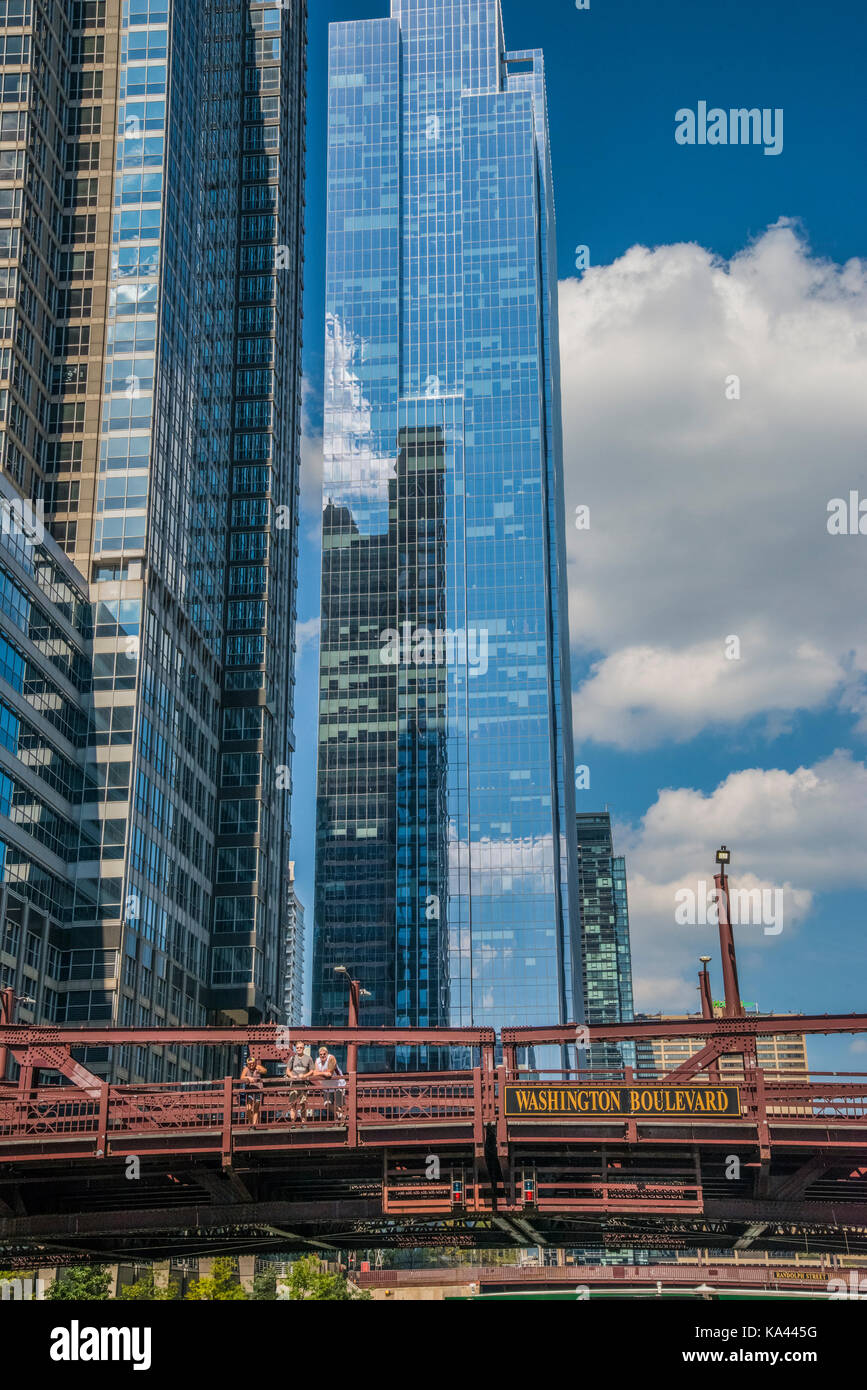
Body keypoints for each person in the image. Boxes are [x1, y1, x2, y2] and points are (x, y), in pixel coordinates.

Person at [285, 1040, 314, 1123]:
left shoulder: (308, 1058)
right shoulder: (292, 1058)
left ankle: (303, 1123)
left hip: (303, 1084)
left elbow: (312, 1071)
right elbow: (287, 1070)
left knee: (303, 1104)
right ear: (295, 1048)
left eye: (301, 1047)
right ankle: (293, 1123)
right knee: (292, 1104)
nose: (299, 1049)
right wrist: (292, 1076)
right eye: (297, 1048)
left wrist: (304, 1076)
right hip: (294, 1084)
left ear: (304, 1048)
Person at [313, 1044, 345, 1121]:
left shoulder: (331, 1058)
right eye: (320, 1054)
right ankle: (341, 1116)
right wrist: (324, 1073)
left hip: (338, 1084)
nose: (322, 1056)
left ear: (327, 1054)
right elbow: (315, 1073)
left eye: (324, 1054)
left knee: (338, 1105)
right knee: (327, 1104)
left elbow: (329, 1073)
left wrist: (320, 1073)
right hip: (327, 1086)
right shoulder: (317, 1061)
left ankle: (338, 1122)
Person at [240, 1054, 266, 1126]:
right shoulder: (246, 1069)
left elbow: (265, 1071)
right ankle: (251, 1123)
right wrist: (248, 1078)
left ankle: (253, 1125)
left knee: (256, 1108)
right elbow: (242, 1077)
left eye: (252, 1063)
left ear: (255, 1063)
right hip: (249, 1090)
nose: (251, 1065)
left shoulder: (257, 1067)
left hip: (258, 1090)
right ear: (247, 1064)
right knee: (248, 1108)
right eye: (249, 1064)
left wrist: (260, 1070)